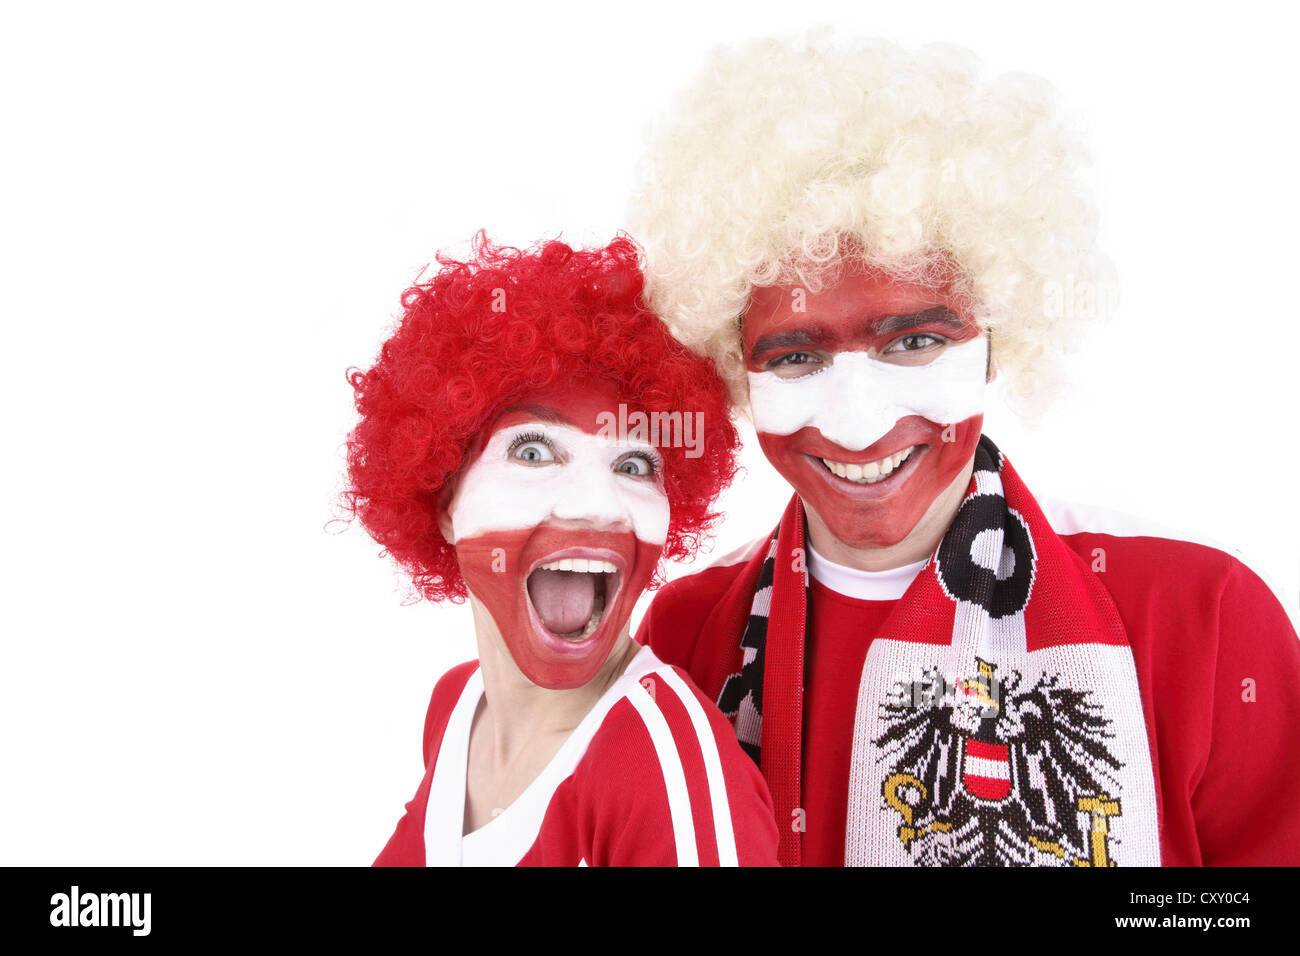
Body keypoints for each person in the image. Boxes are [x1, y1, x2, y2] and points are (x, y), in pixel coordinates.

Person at [628, 34, 1300, 866]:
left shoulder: (1196, 614)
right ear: (735, 368)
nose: (858, 423)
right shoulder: (687, 631)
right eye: (795, 357)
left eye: (912, 342)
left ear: (996, 340)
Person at [344, 234, 779, 866]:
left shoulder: (658, 765)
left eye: (634, 463)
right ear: (443, 501)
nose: (596, 505)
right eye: (532, 451)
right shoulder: (457, 709)